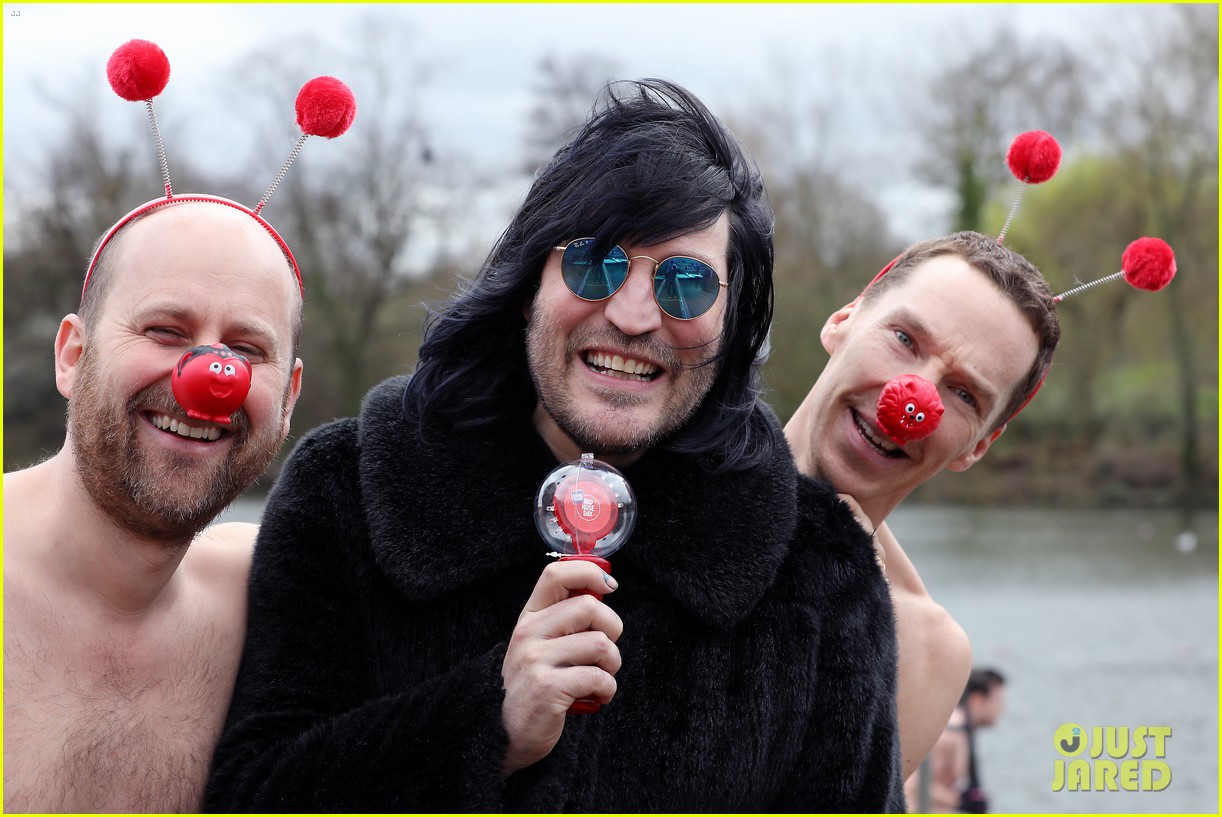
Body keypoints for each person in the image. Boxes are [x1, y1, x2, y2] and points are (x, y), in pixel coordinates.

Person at [205, 79, 905, 811]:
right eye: (594, 263)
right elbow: (251, 793)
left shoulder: (820, 568)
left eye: (688, 283)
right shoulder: (348, 492)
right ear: (529, 278)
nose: (634, 316)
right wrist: (486, 722)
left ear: (733, 323)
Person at [2, 202, 304, 812]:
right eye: (166, 332)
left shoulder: (283, 598)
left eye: (246, 349)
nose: (211, 376)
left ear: (289, 398)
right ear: (72, 355)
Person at [784, 232, 1060, 780]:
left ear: (978, 445)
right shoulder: (640, 469)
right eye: (905, 339)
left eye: (963, 394)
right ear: (845, 319)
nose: (910, 402)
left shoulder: (925, 652)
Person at [906, 668, 1007, 813]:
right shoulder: (953, 734)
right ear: (977, 699)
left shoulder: (956, 727)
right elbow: (913, 783)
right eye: (998, 702)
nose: (1001, 709)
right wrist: (961, 802)